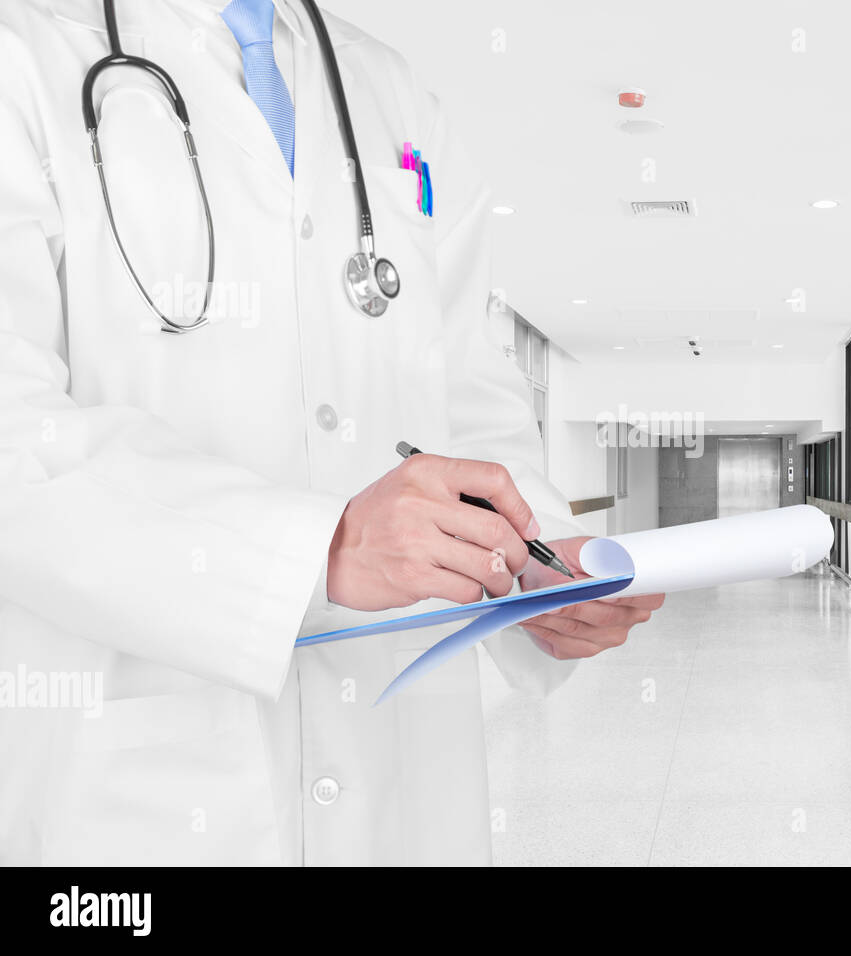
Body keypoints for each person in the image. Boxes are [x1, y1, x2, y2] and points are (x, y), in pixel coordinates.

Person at [0, 0, 662, 865]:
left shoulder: (388, 91)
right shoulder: (25, 55)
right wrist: (318, 551)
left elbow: (466, 392)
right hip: (148, 796)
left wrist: (535, 564)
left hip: (404, 771)